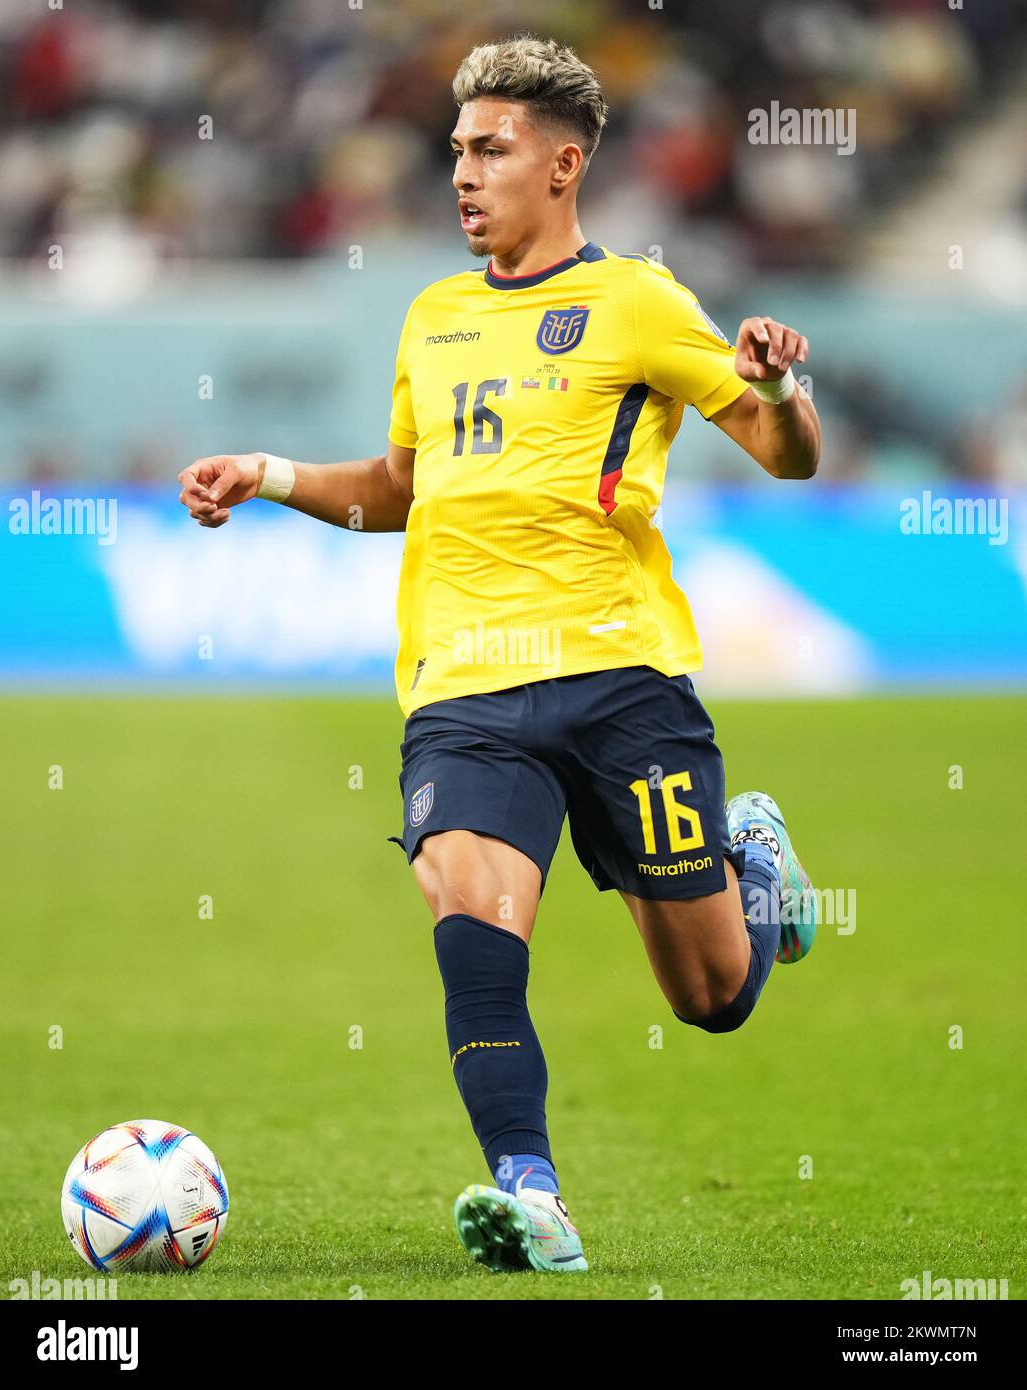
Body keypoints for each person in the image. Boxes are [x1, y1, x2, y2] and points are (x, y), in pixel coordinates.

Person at [178, 34, 821, 1277]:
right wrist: (267, 475)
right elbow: (401, 489)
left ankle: (754, 866)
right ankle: (532, 1194)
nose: (461, 174)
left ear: (564, 164)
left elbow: (777, 450)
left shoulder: (635, 299)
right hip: (461, 691)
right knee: (470, 921)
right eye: (456, 151)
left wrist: (782, 393)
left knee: (709, 998)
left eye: (490, 150)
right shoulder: (435, 315)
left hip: (619, 676)